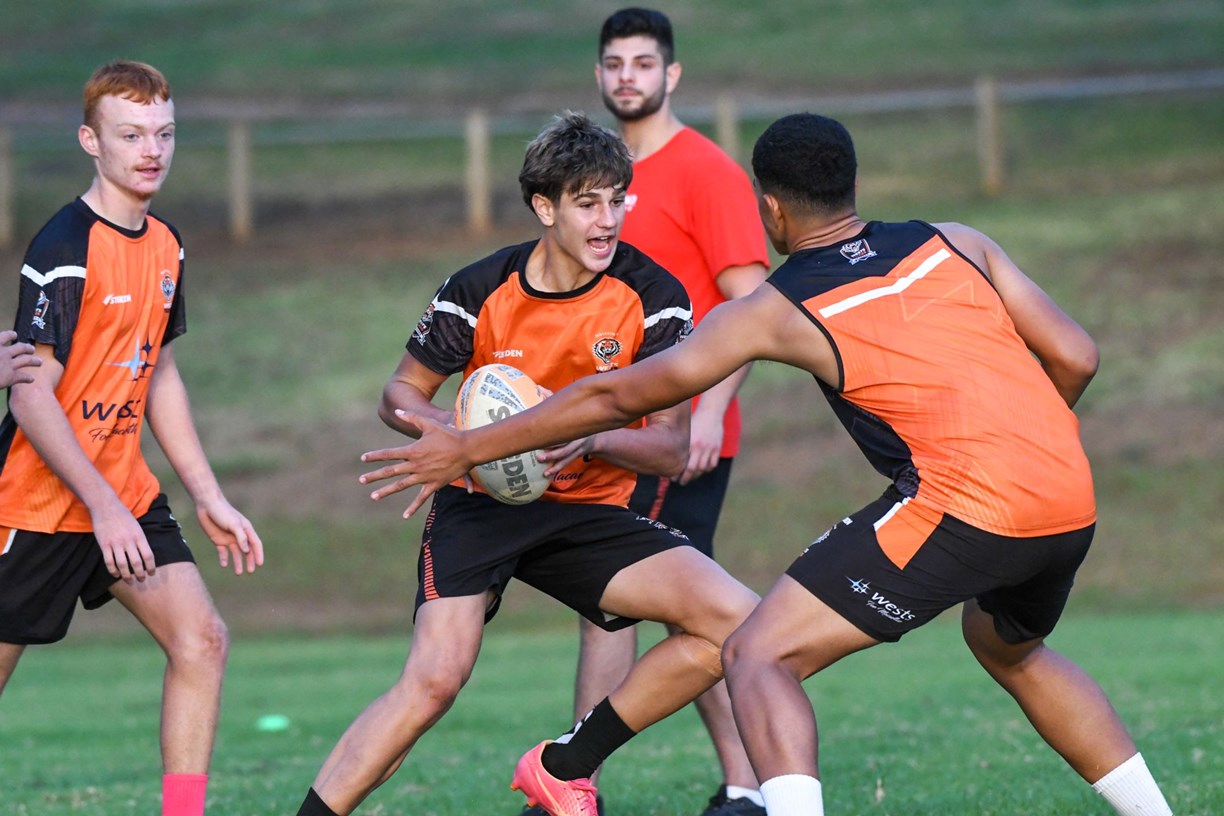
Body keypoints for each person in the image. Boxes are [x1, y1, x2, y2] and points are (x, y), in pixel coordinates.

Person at [361, 112, 1176, 816]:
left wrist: (467, 446)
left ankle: (570, 764)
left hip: (966, 505)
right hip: (1068, 497)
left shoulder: (780, 306)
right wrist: (1023, 441)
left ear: (772, 208)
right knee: (1011, 648)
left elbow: (615, 398)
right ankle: (565, 765)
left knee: (758, 654)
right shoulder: (957, 242)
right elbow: (1078, 353)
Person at [293, 111, 759, 816]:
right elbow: (401, 392)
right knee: (433, 683)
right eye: (586, 202)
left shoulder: (655, 298)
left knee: (737, 623)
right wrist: (461, 432)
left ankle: (565, 763)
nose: (607, 221)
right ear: (545, 207)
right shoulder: (482, 289)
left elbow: (668, 445)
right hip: (480, 506)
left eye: (616, 200)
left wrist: (593, 438)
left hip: (589, 511)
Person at [523, 11, 771, 816]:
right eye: (613, 64)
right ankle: (745, 785)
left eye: (643, 63)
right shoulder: (596, 176)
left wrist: (706, 411)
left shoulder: (705, 170)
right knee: (666, 615)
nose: (627, 76)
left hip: (675, 438)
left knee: (620, 607)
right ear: (599, 75)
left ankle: (570, 780)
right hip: (614, 429)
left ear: (673, 75)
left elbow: (751, 307)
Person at [0, 61, 264, 816]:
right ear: (92, 141)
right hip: (38, 503)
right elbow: (29, 396)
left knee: (202, 641)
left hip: (123, 494)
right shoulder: (64, 246)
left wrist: (209, 496)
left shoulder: (167, 245)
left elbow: (161, 376)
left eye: (164, 134)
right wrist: (102, 506)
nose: (151, 150)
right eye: (130, 135)